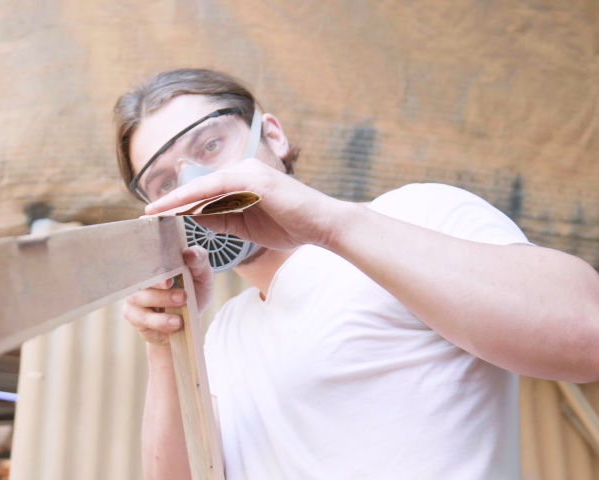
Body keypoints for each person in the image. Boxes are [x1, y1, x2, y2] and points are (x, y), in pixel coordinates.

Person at [113, 68, 599, 479]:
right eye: (165, 182)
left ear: (273, 136)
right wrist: (167, 340)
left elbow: (587, 333)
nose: (196, 185)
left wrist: (328, 223)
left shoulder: (416, 215)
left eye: (211, 145)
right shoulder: (223, 335)